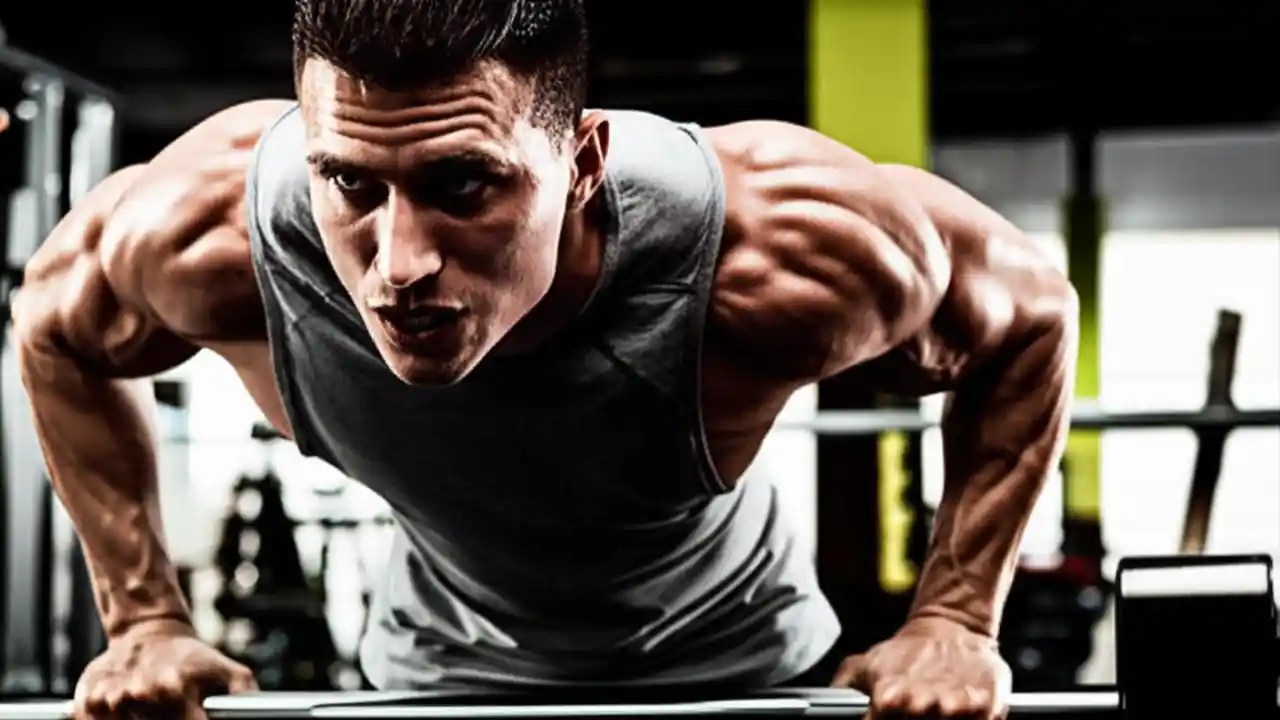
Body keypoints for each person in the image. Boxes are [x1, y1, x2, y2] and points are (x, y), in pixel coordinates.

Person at [11, 1, 1078, 719]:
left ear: (584, 161)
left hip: (739, 671)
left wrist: (952, 616)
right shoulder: (212, 236)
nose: (399, 264)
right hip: (430, 680)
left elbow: (1030, 316)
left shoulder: (778, 248)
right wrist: (144, 619)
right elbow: (54, 325)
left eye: (463, 185)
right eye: (350, 184)